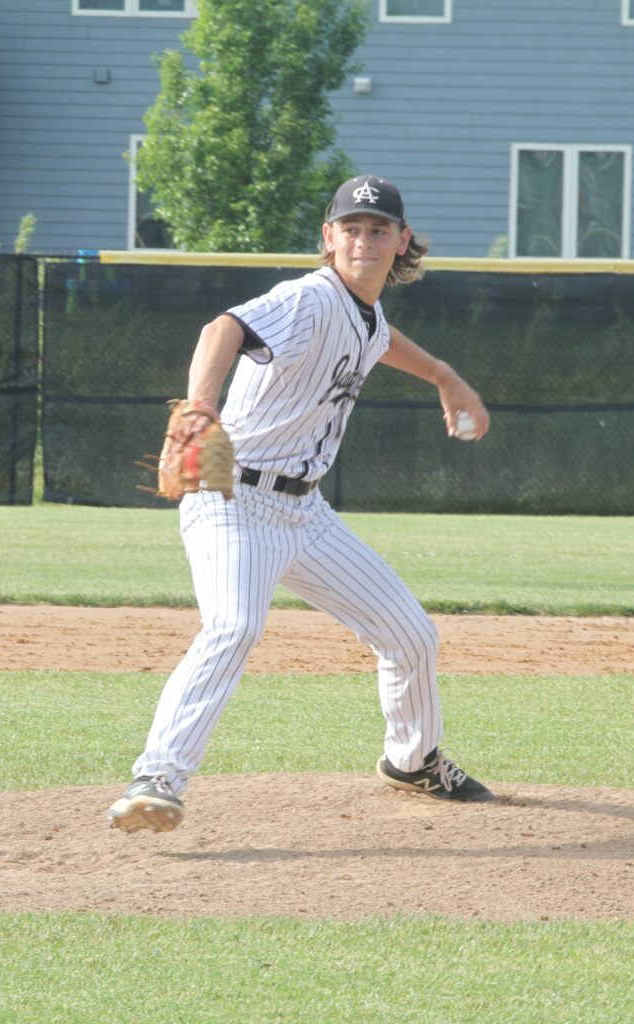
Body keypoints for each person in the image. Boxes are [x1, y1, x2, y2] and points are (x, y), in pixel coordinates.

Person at [108, 174, 495, 834]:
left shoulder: (363, 313)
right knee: (233, 626)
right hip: (232, 498)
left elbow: (380, 341)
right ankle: (158, 776)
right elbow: (221, 328)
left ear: (401, 241)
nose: (364, 240)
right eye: (351, 228)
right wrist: (202, 405)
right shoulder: (311, 299)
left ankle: (412, 760)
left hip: (304, 515)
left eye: (378, 230)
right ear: (329, 238)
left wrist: (444, 376)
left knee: (411, 636)